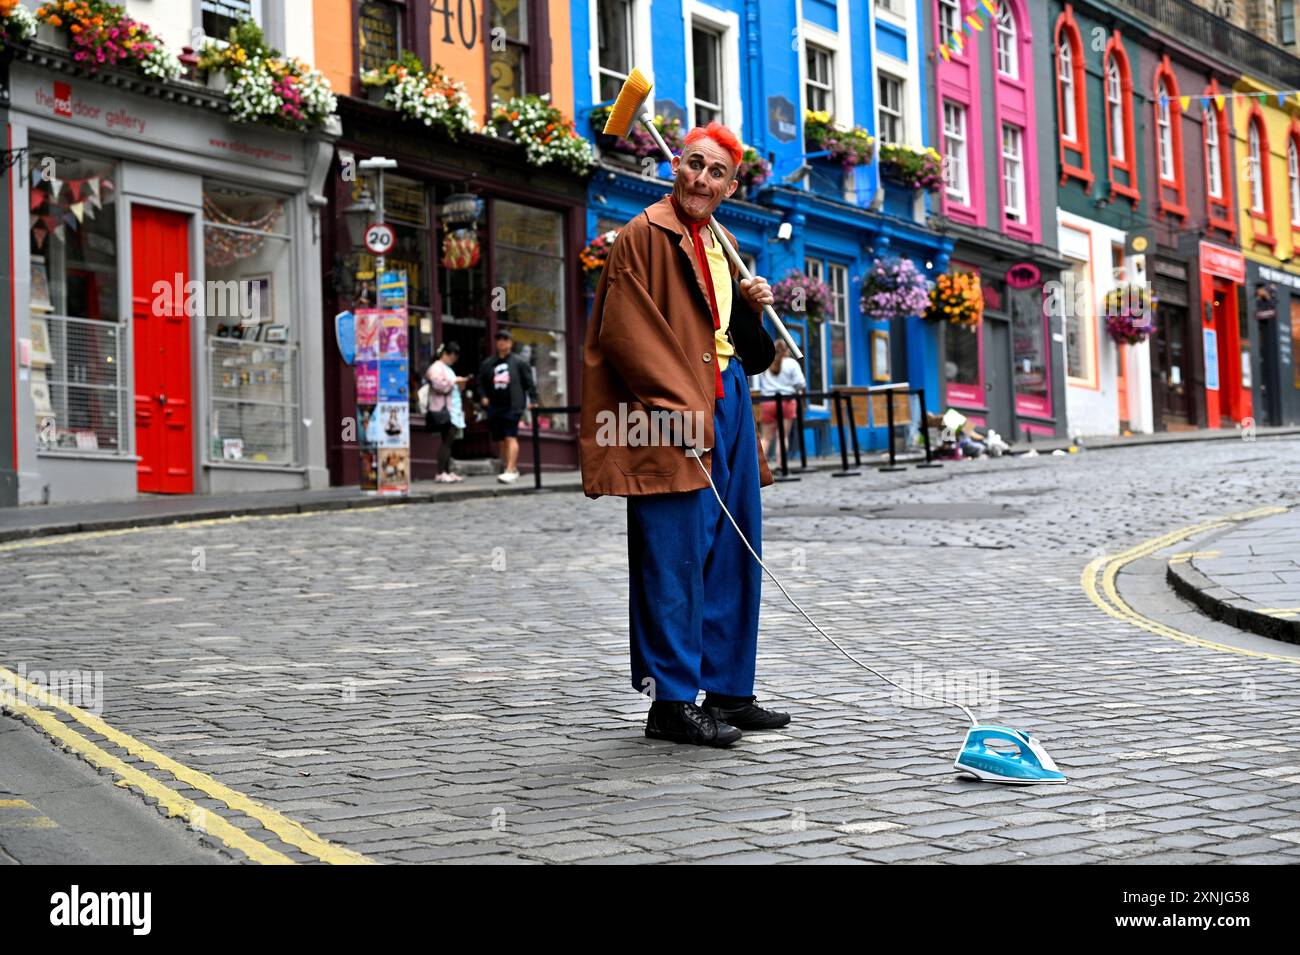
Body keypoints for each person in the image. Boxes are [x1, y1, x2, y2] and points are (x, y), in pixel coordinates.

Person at [580, 120, 790, 748]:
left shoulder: (721, 244)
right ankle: (670, 702)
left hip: (729, 403)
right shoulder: (644, 235)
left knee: (734, 549)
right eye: (693, 164)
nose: (701, 177)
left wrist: (752, 310)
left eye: (716, 172)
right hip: (673, 411)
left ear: (729, 187)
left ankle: (728, 687)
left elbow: (748, 355)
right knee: (672, 555)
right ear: (676, 168)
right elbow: (627, 336)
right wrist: (681, 410)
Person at [477, 330, 538, 483]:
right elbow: (480, 382)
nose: (501, 342)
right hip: (495, 406)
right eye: (499, 339)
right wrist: (483, 396)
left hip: (513, 405)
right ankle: (509, 467)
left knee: (511, 436)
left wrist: (533, 400)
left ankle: (510, 469)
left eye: (505, 339)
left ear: (510, 343)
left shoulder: (519, 362)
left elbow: (529, 383)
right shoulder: (488, 363)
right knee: (501, 440)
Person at [753, 338, 805, 462]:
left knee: (766, 437)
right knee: (783, 437)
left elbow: (759, 380)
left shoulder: (767, 363)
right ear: (787, 350)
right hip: (787, 401)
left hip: (768, 401)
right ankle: (781, 466)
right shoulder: (792, 363)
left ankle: (760, 468)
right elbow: (800, 383)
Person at [425, 342, 468, 483]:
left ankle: (447, 471)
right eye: (452, 356)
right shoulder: (436, 367)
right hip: (444, 410)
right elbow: (437, 384)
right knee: (446, 442)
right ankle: (440, 472)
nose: (453, 359)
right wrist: (454, 381)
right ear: (445, 354)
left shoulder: (448, 369)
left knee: (449, 442)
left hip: (453, 410)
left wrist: (459, 383)